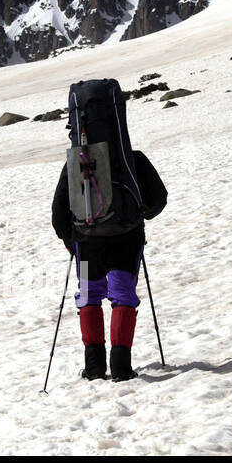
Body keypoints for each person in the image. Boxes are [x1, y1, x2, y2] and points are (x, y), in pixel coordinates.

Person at [51, 116, 167, 382]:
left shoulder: (75, 163)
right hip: (126, 238)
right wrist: (139, 216)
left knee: (90, 295)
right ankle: (121, 368)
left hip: (87, 242)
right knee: (123, 294)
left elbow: (58, 214)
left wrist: (72, 240)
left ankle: (93, 368)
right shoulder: (133, 159)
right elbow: (158, 199)